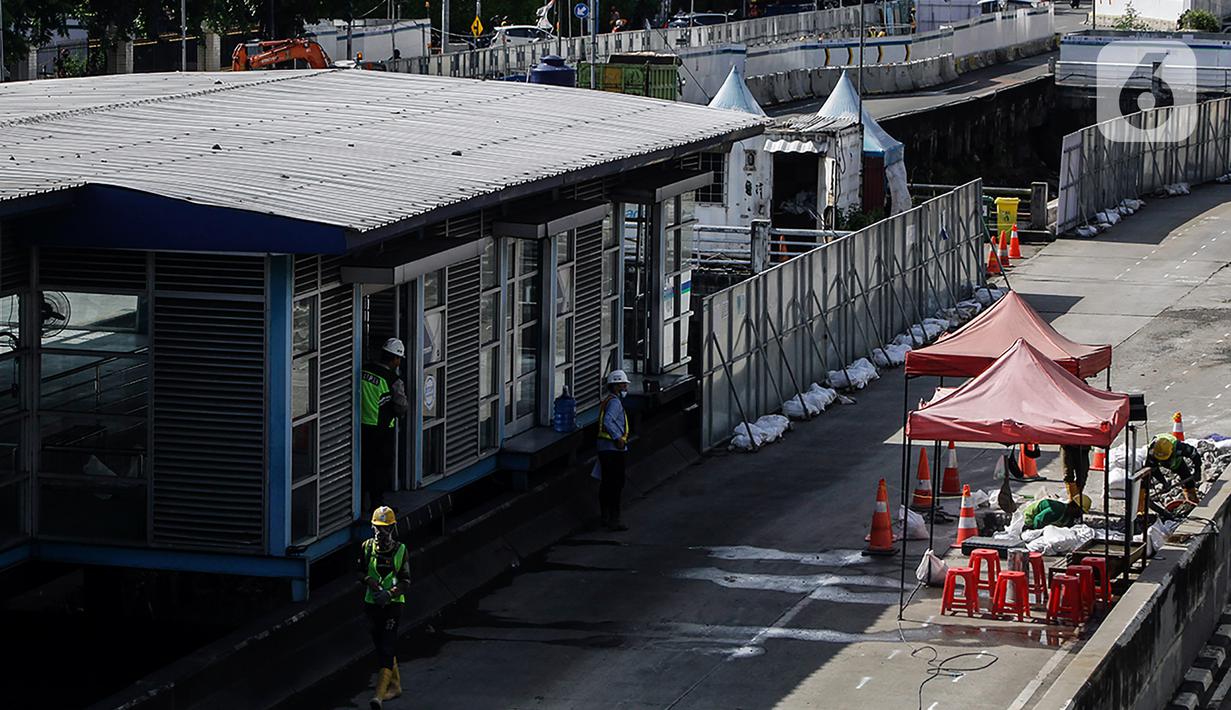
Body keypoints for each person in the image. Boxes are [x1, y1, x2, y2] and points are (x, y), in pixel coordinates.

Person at [359, 506, 410, 709]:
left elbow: (406, 581)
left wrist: (390, 593)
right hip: (372, 604)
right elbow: (359, 571)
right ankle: (395, 685)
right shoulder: (366, 547)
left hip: (393, 605)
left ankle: (378, 696)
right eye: (377, 527)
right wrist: (369, 581)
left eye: (385, 528)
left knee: (387, 645)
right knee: (381, 646)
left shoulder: (400, 550)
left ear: (392, 528)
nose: (381, 532)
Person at [361, 338, 408, 511]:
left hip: (360, 427)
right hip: (382, 430)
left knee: (362, 464)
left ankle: (358, 502)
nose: (399, 362)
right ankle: (376, 504)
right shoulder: (393, 380)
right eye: (399, 359)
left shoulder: (363, 370)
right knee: (380, 468)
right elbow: (402, 406)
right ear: (395, 359)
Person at [597, 370, 631, 531]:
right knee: (616, 484)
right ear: (616, 386)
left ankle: (605, 516)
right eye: (623, 384)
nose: (625, 387)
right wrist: (618, 438)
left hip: (604, 448)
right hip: (613, 449)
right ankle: (613, 519)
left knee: (606, 483)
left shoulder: (608, 400)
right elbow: (608, 421)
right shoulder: (615, 403)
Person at [1147, 433, 1202, 506]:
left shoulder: (1180, 448)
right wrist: (1163, 482)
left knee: (1186, 475)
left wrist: (1197, 470)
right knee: (1147, 475)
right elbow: (1154, 469)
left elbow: (1195, 455)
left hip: (1176, 460)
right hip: (1159, 455)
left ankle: (1191, 497)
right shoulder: (1152, 452)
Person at [1021, 495, 1090, 530]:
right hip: (1030, 517)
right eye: (1080, 512)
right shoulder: (1056, 510)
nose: (1080, 515)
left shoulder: (1069, 517)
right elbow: (1038, 519)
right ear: (1074, 507)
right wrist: (1036, 531)